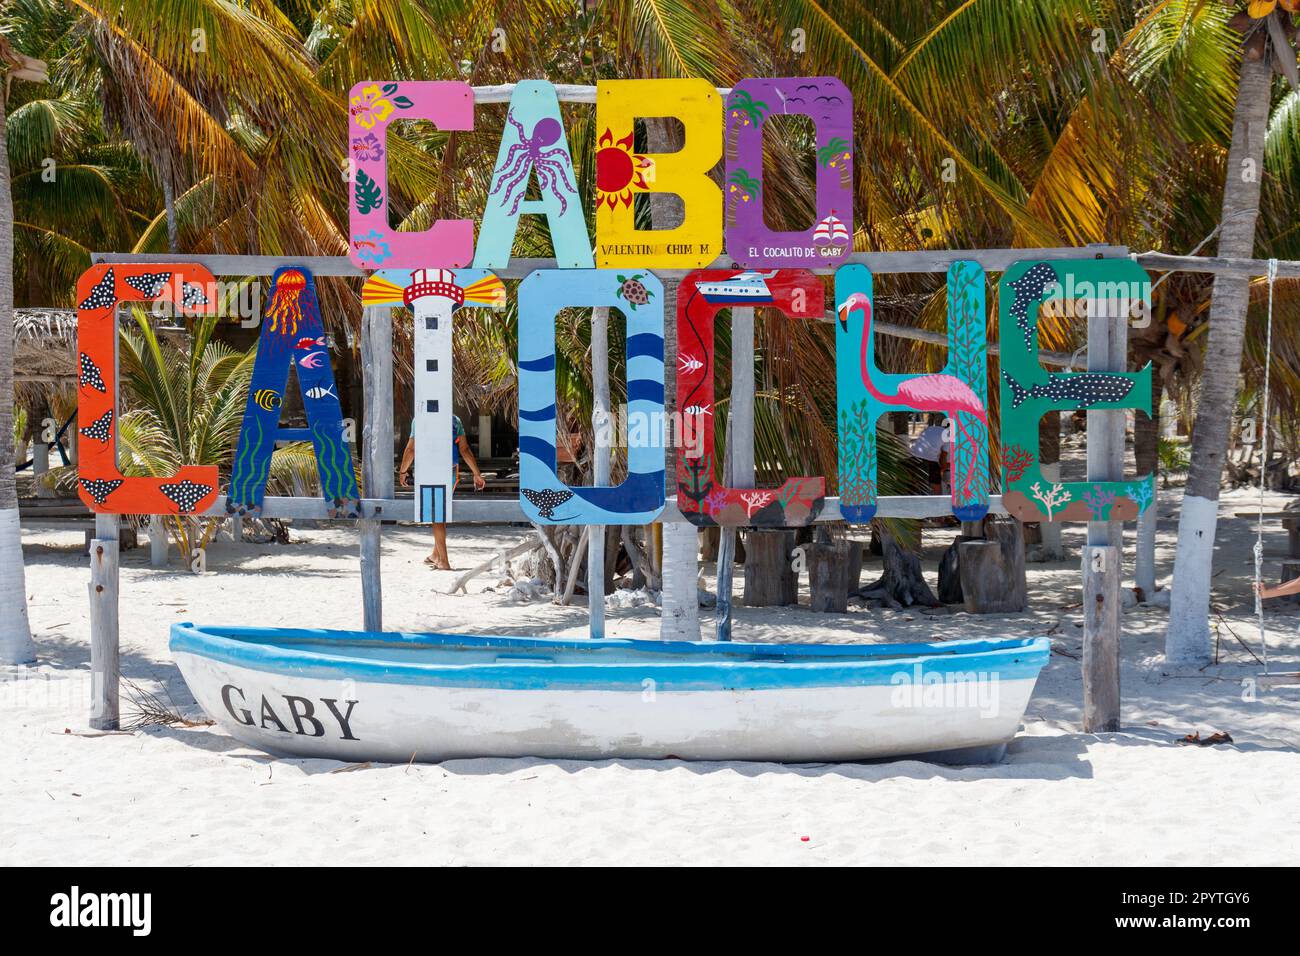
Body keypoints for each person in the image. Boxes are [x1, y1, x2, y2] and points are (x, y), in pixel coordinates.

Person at [399, 414, 486, 570]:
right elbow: (464, 449)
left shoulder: (419, 419)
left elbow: (411, 449)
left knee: (436, 513)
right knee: (440, 511)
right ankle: (436, 554)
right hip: (451, 470)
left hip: (429, 469)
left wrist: (403, 471)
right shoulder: (455, 420)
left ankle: (444, 561)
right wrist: (476, 473)